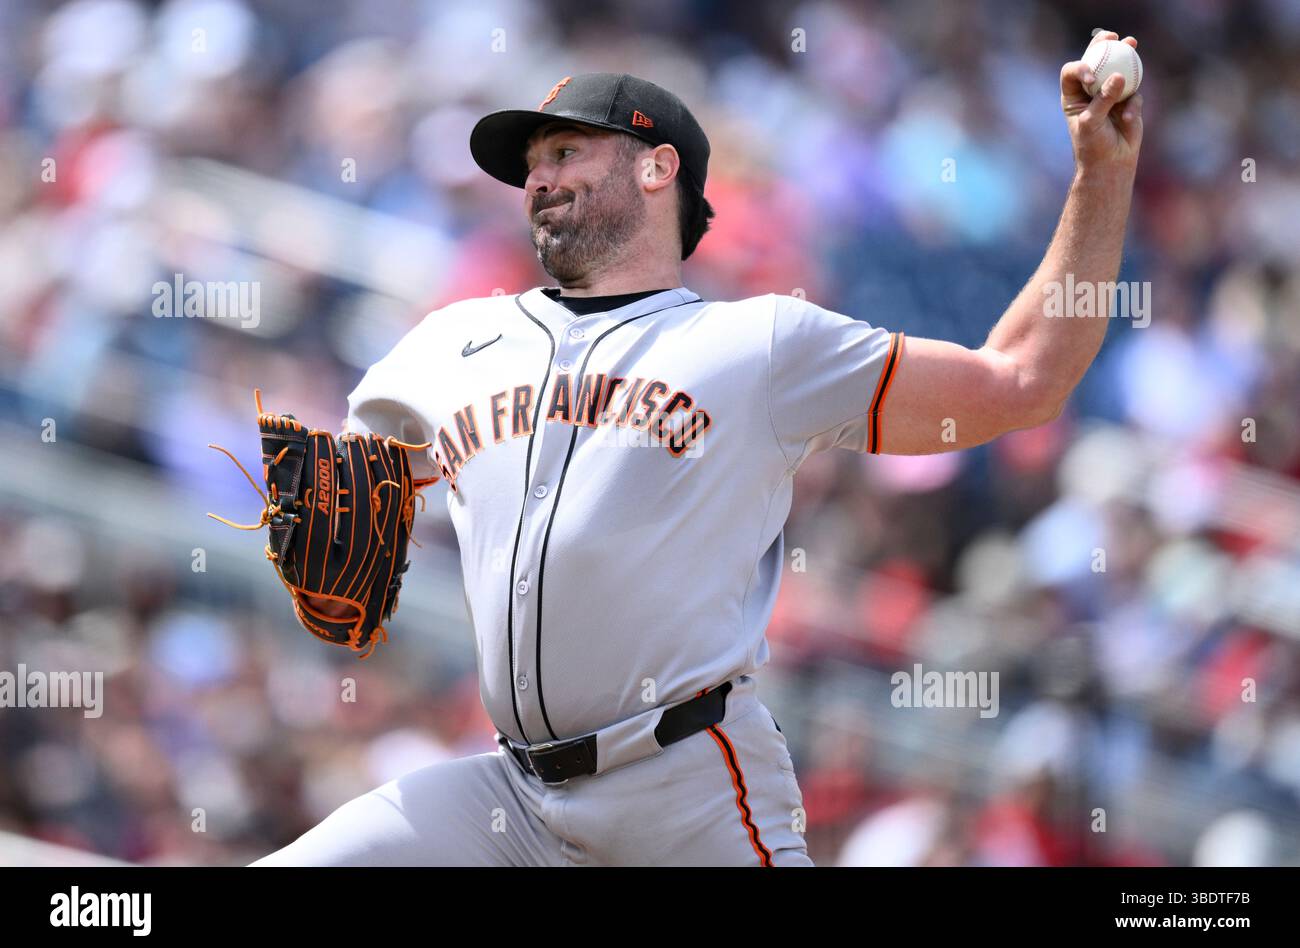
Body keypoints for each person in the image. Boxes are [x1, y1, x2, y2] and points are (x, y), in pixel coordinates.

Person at [254, 31, 1144, 866]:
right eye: (530, 167)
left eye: (564, 152)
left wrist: (1099, 175)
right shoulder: (454, 342)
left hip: (686, 791)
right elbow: (354, 479)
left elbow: (1023, 379)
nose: (537, 180)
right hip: (510, 797)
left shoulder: (758, 345)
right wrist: (325, 500)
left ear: (657, 167)